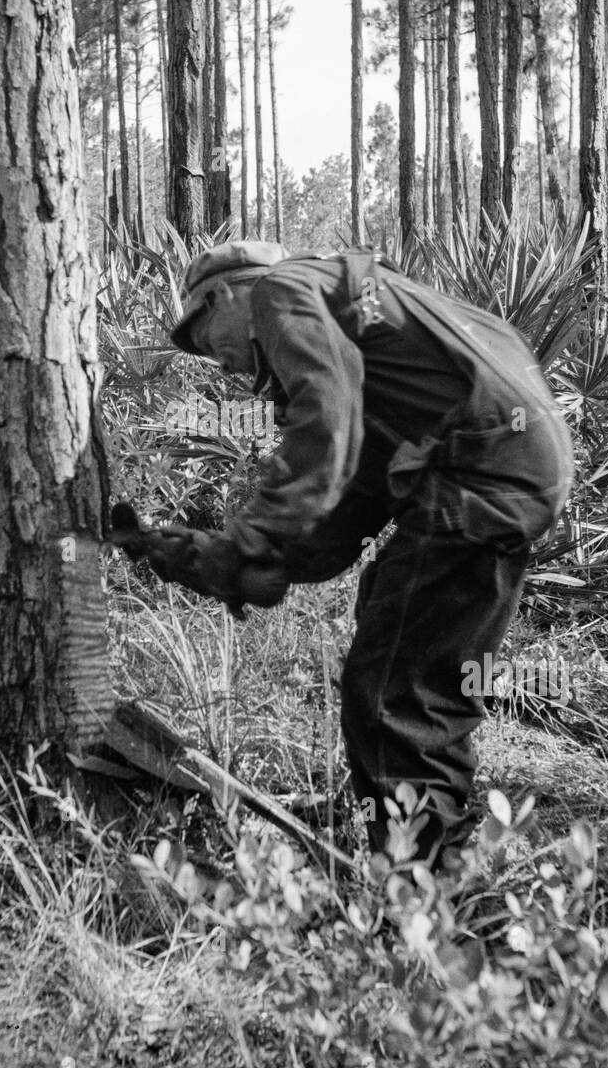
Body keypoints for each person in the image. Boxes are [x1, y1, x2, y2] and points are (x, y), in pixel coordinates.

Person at [146, 240, 573, 869]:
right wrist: (265, 564)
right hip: (511, 471)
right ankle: (430, 850)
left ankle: (421, 885)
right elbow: (352, 495)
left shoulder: (279, 290)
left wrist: (249, 540)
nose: (225, 365)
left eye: (210, 341)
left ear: (225, 294)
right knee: (419, 667)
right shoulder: (360, 323)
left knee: (391, 694)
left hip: (478, 478)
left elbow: (327, 421)